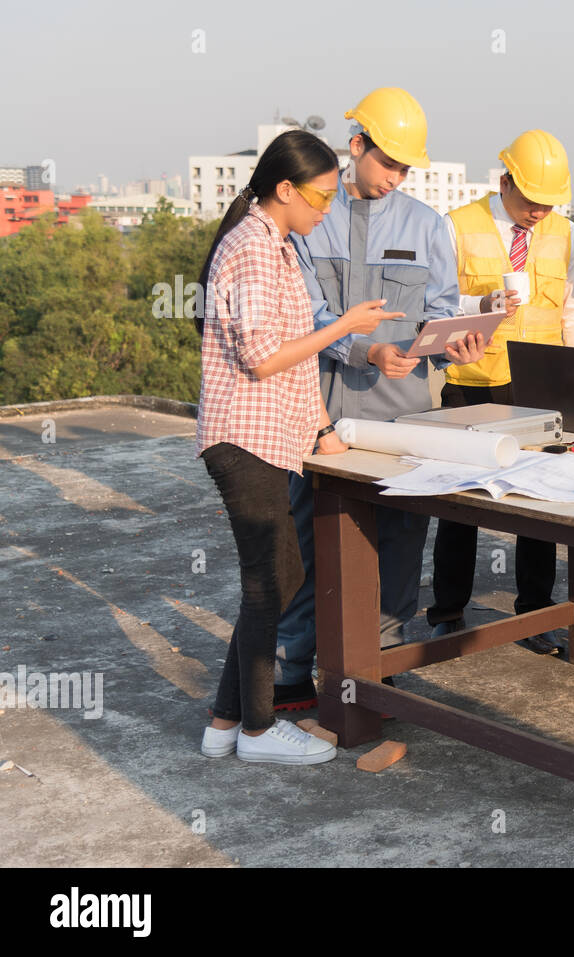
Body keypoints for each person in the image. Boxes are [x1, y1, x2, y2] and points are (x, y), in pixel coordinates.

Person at [196, 130, 414, 762]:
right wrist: (345, 326)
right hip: (246, 436)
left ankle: (224, 723)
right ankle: (259, 732)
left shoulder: (280, 245)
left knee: (277, 576)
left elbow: (293, 368)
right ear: (285, 190)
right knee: (272, 581)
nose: (327, 209)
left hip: (274, 436)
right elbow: (266, 361)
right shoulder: (253, 250)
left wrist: (321, 429)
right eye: (320, 197)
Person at [273, 88, 486, 710]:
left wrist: (454, 348)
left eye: (405, 169)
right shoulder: (312, 216)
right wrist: (363, 350)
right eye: (387, 162)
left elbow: (441, 314)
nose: (395, 178)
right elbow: (303, 314)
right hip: (319, 414)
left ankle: (381, 666)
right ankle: (291, 673)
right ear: (356, 146)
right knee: (309, 544)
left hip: (404, 415)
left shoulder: (427, 226)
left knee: (398, 544)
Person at [425, 130, 574, 656]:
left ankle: (536, 614)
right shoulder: (456, 226)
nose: (538, 213)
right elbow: (437, 303)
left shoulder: (566, 233)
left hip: (542, 386)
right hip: (474, 383)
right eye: (529, 202)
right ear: (504, 182)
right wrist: (483, 299)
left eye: (548, 204)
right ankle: (448, 611)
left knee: (537, 503)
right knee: (459, 502)